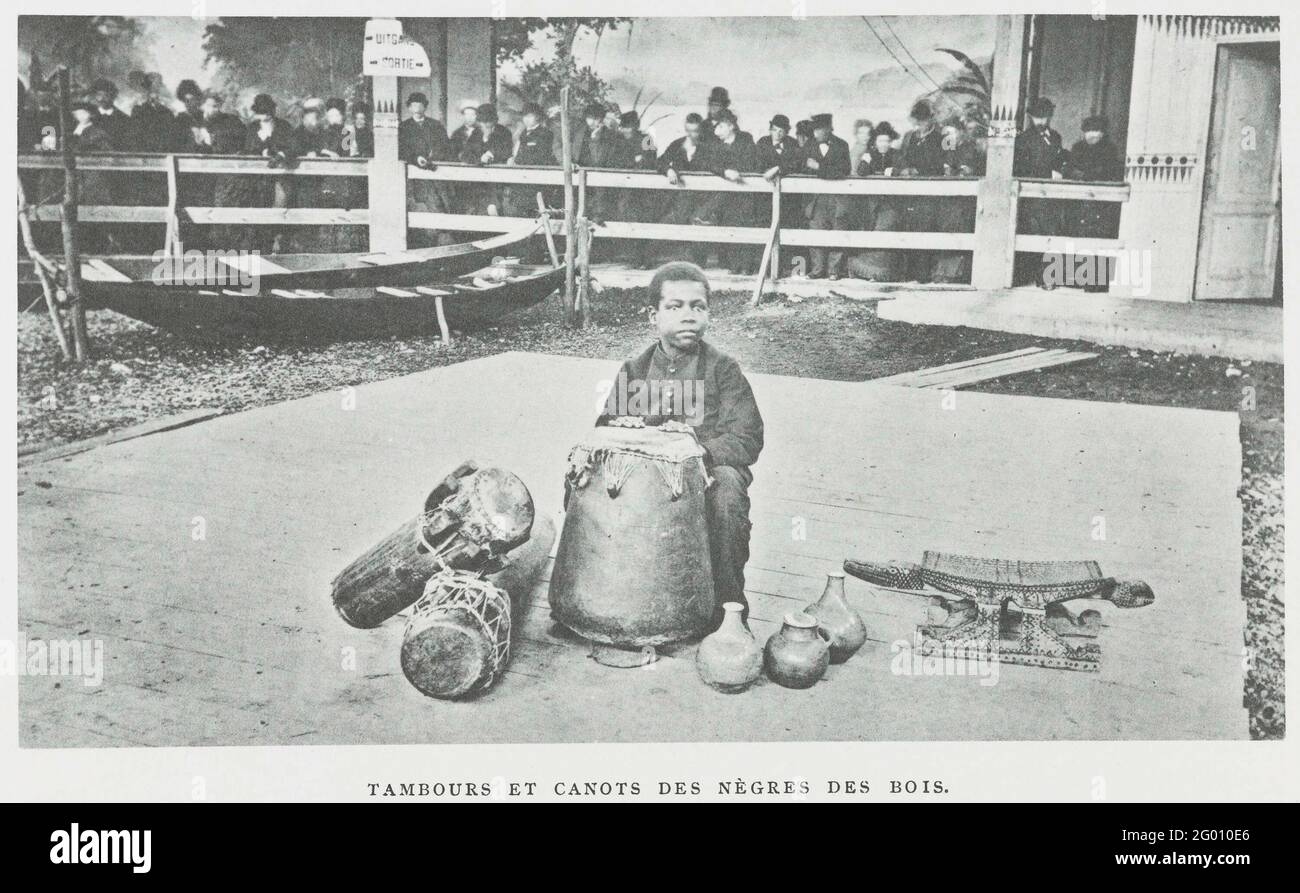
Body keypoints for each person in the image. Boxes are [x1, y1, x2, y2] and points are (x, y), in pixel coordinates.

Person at [596, 262, 764, 628]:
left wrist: (698, 452)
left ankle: (729, 611)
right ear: (652, 316)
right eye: (675, 307)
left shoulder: (722, 368)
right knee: (589, 486)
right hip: (645, 473)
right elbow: (604, 432)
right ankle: (609, 596)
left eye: (698, 306)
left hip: (707, 472)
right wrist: (623, 430)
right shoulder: (635, 369)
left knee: (728, 492)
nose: (689, 316)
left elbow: (747, 437)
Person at [1065, 114, 1125, 292]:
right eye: (1089, 131)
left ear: (1103, 133)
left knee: (1099, 238)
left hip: (1101, 203)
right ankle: (1075, 279)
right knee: (1078, 237)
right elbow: (1069, 169)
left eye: (1097, 131)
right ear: (1083, 132)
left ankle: (1097, 281)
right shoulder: (1077, 148)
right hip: (1080, 202)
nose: (1093, 135)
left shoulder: (1109, 150)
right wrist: (1078, 175)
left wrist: (1088, 175)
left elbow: (1109, 171)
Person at [1013, 96, 1067, 286]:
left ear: (1050, 117)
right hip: (1031, 197)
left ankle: (1047, 277)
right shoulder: (1022, 140)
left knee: (1051, 233)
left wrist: (1060, 170)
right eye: (1037, 117)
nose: (1041, 122)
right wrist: (1045, 173)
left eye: (1044, 117)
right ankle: (1026, 276)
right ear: (1030, 117)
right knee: (1031, 234)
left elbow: (1060, 161)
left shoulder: (1056, 138)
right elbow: (1020, 168)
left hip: (1051, 197)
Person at [657, 113, 717, 266]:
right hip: (682, 196)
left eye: (695, 131)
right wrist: (669, 170)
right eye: (688, 130)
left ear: (701, 130)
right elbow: (660, 161)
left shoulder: (710, 147)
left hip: (703, 197)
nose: (691, 135)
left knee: (698, 226)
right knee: (678, 222)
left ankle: (698, 263)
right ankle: (683, 262)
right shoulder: (677, 144)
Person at [897, 99, 947, 282]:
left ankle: (923, 274)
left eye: (923, 120)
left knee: (926, 230)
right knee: (908, 228)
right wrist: (905, 169)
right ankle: (906, 273)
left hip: (930, 194)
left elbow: (945, 165)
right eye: (917, 120)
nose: (920, 124)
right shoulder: (909, 137)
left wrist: (922, 171)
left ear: (931, 120)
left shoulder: (941, 139)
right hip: (910, 193)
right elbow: (902, 158)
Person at [243, 93, 298, 252]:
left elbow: (293, 146)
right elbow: (248, 151)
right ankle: (259, 248)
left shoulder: (284, 126)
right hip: (258, 180)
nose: (264, 115)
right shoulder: (253, 128)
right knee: (258, 214)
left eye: (267, 111)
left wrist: (280, 154)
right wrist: (262, 145)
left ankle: (277, 247)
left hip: (280, 177)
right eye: (261, 112)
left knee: (279, 210)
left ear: (272, 111)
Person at [706, 109, 759, 274]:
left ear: (730, 126)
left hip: (746, 194)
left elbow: (752, 162)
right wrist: (724, 172)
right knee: (729, 226)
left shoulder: (746, 140)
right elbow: (709, 163)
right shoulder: (716, 145)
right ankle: (734, 266)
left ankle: (747, 266)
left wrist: (737, 171)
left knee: (746, 226)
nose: (716, 131)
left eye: (720, 126)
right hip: (727, 196)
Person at [603, 109, 658, 267]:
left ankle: (644, 258)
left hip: (644, 190)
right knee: (626, 217)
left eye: (629, 127)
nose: (625, 130)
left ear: (635, 126)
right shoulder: (618, 140)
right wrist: (633, 160)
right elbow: (613, 161)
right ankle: (633, 256)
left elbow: (651, 160)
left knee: (642, 220)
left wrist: (638, 160)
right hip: (624, 189)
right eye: (623, 127)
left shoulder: (646, 139)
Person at [801, 112, 851, 279]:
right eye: (814, 131)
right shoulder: (808, 145)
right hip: (815, 199)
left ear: (829, 129)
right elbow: (801, 166)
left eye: (819, 130)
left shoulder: (841, 145)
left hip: (837, 198)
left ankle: (834, 271)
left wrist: (818, 168)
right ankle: (817, 270)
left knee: (837, 232)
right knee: (816, 232)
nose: (815, 134)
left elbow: (843, 171)